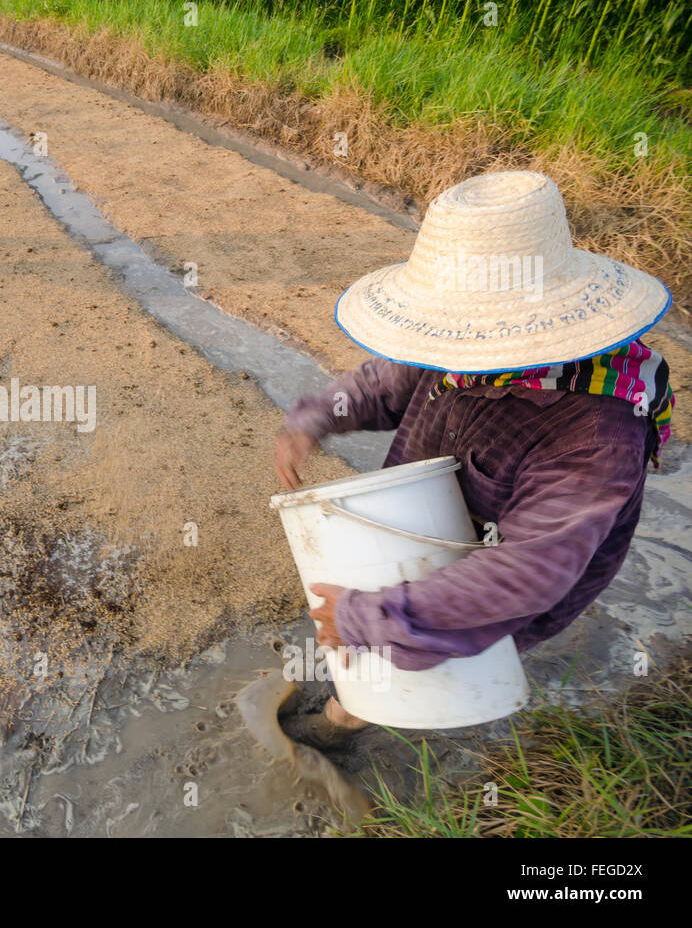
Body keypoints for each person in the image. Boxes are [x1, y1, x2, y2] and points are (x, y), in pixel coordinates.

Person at [273, 170, 674, 748]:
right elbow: (383, 383)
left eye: (467, 338)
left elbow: (525, 575)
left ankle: (352, 719)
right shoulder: (455, 350)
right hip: (433, 526)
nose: (449, 351)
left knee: (446, 642)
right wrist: (314, 419)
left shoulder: (596, 432)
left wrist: (364, 617)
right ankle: (362, 695)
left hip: (510, 566)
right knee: (391, 615)